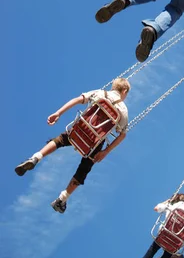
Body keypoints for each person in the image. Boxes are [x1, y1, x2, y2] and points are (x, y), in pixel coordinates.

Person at [15, 78, 130, 214]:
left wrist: (58, 113)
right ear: (124, 91)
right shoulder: (123, 110)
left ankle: (36, 157)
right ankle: (62, 199)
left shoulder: (100, 93)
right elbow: (122, 135)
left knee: (61, 140)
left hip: (79, 130)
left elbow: (77, 100)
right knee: (84, 168)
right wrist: (105, 151)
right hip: (94, 143)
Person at [140, 193, 184, 258]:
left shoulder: (172, 206)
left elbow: (156, 208)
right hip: (176, 241)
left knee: (153, 249)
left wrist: (167, 202)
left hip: (165, 234)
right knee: (168, 253)